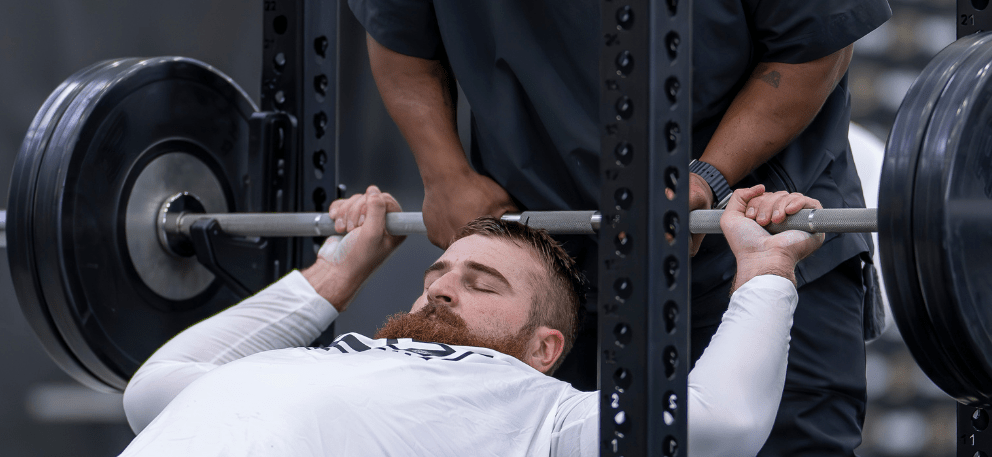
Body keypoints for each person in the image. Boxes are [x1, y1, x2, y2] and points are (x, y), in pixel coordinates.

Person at [348, 0, 890, 453]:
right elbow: (398, 35)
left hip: (746, 242)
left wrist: (706, 179)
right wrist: (445, 175)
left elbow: (814, 49)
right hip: (553, 273)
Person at [119, 184, 825, 456]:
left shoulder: (538, 417)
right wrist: (337, 272)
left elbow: (721, 424)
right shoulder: (326, 360)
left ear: (544, 346)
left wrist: (764, 272)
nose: (441, 291)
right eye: (436, 275)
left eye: (480, 283)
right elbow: (152, 388)